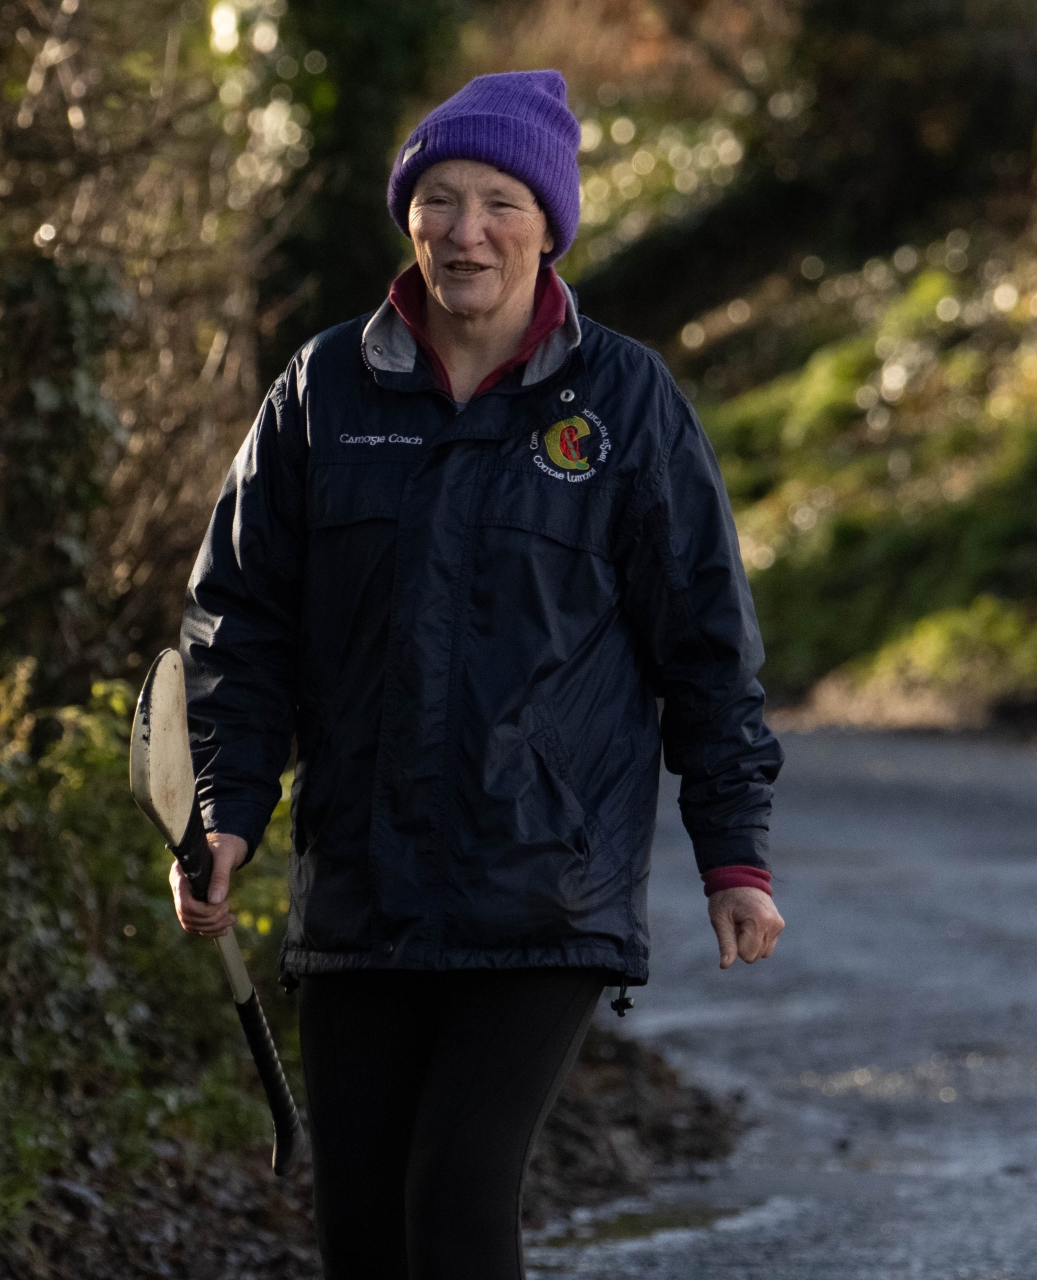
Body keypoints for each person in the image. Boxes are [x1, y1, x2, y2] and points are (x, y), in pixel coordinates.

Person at [171, 68, 784, 1280]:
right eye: (439, 199)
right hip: (363, 884)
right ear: (406, 219)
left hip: (543, 885)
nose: (466, 230)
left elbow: (705, 641)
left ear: (547, 224)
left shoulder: (622, 401)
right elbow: (239, 624)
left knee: (454, 1198)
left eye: (498, 200)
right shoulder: (322, 394)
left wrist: (736, 851)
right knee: (363, 1231)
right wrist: (228, 807)